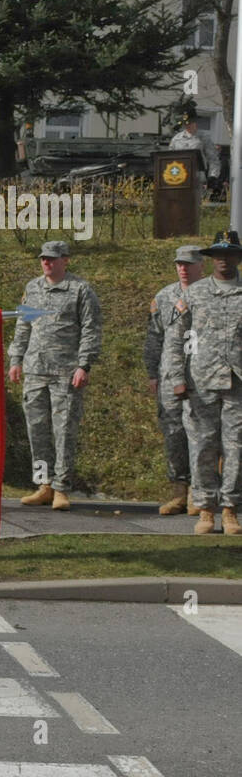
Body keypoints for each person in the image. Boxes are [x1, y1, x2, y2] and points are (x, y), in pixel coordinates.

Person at [8, 240, 103, 510]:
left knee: (64, 432)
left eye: (52, 258)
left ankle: (62, 487)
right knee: (36, 430)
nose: (46, 262)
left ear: (65, 260)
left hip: (66, 372)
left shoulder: (80, 290)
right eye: (43, 258)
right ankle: (43, 484)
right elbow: (23, 326)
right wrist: (16, 359)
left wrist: (84, 365)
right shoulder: (33, 288)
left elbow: (91, 329)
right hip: (36, 370)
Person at [166, 230, 242, 536]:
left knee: (236, 448)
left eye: (229, 255)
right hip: (201, 382)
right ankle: (206, 509)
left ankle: (230, 509)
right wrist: (176, 378)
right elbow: (175, 337)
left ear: (237, 258)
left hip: (237, 384)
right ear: (211, 260)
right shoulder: (194, 294)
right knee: (203, 447)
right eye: (218, 255)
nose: (224, 260)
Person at [144, 245, 205, 515]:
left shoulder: (209, 294)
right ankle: (178, 491)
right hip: (169, 375)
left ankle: (199, 492)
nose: (183, 268)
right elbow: (155, 336)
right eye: (179, 264)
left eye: (188, 264)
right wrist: (152, 373)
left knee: (201, 435)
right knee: (173, 434)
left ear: (201, 266)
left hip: (202, 375)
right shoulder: (165, 296)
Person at [169, 111, 221, 193]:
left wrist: (213, 176)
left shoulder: (204, 138)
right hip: (178, 178)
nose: (187, 125)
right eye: (185, 124)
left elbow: (213, 159)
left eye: (190, 123)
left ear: (195, 122)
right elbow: (169, 160)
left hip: (197, 179)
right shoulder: (176, 139)